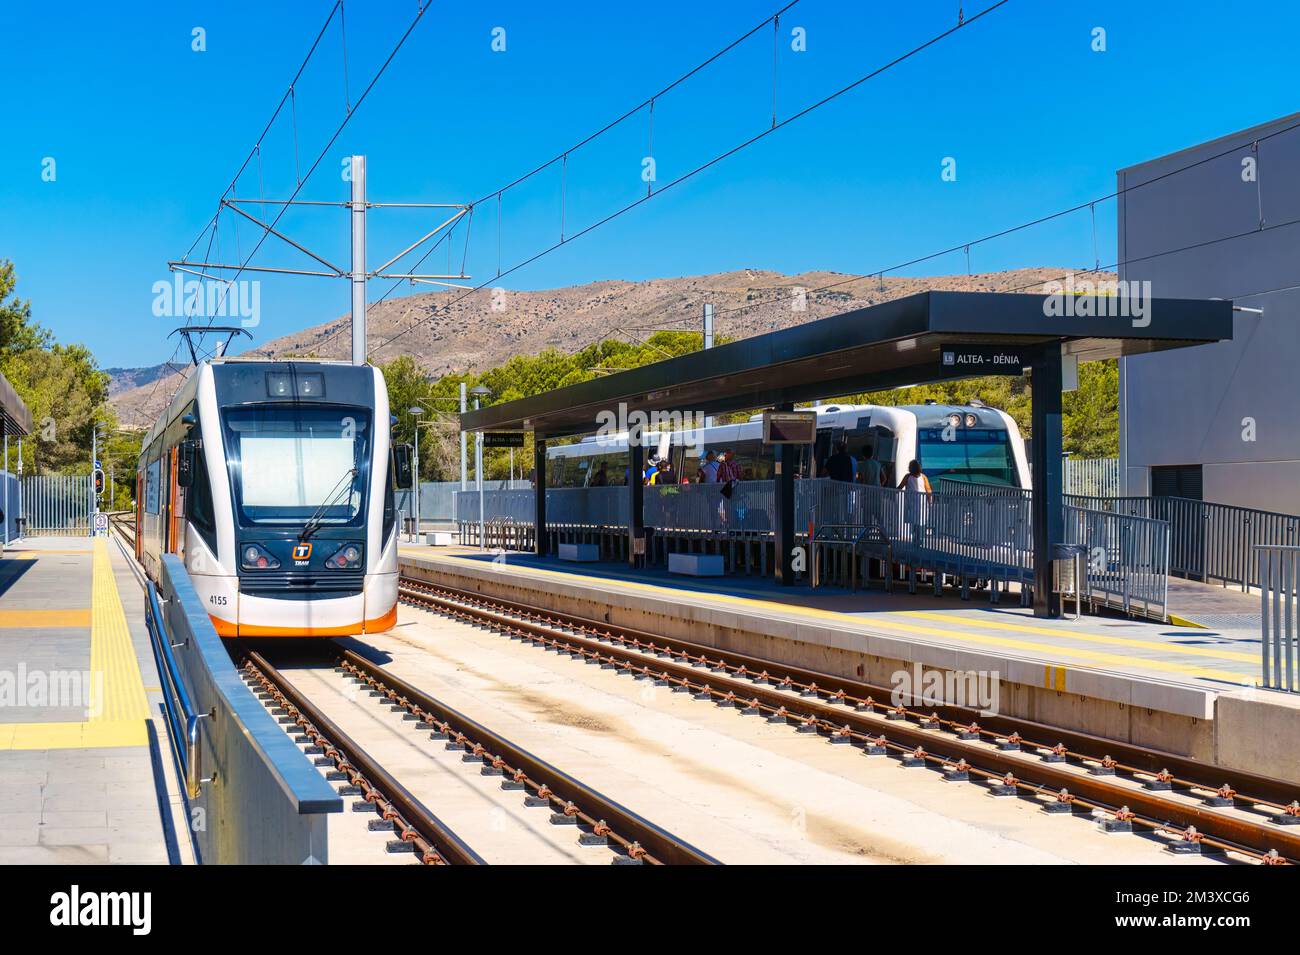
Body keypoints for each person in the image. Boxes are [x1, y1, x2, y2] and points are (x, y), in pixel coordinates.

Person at [899, 459, 932, 541]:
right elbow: (928, 490)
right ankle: (920, 540)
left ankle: (916, 539)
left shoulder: (907, 477)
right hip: (923, 503)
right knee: (922, 521)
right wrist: (930, 501)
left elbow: (900, 487)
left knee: (914, 522)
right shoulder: (923, 477)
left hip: (912, 503)